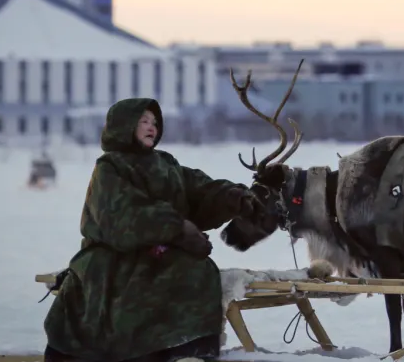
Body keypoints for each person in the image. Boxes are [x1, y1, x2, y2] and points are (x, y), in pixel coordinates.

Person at [42, 98, 266, 362]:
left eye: (155, 123)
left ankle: (189, 350)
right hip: (113, 258)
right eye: (144, 121)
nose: (152, 127)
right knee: (148, 283)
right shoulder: (110, 167)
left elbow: (197, 189)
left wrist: (233, 197)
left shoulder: (165, 163)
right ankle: (148, 354)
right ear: (124, 126)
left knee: (195, 269)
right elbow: (121, 215)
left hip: (161, 253)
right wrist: (177, 228)